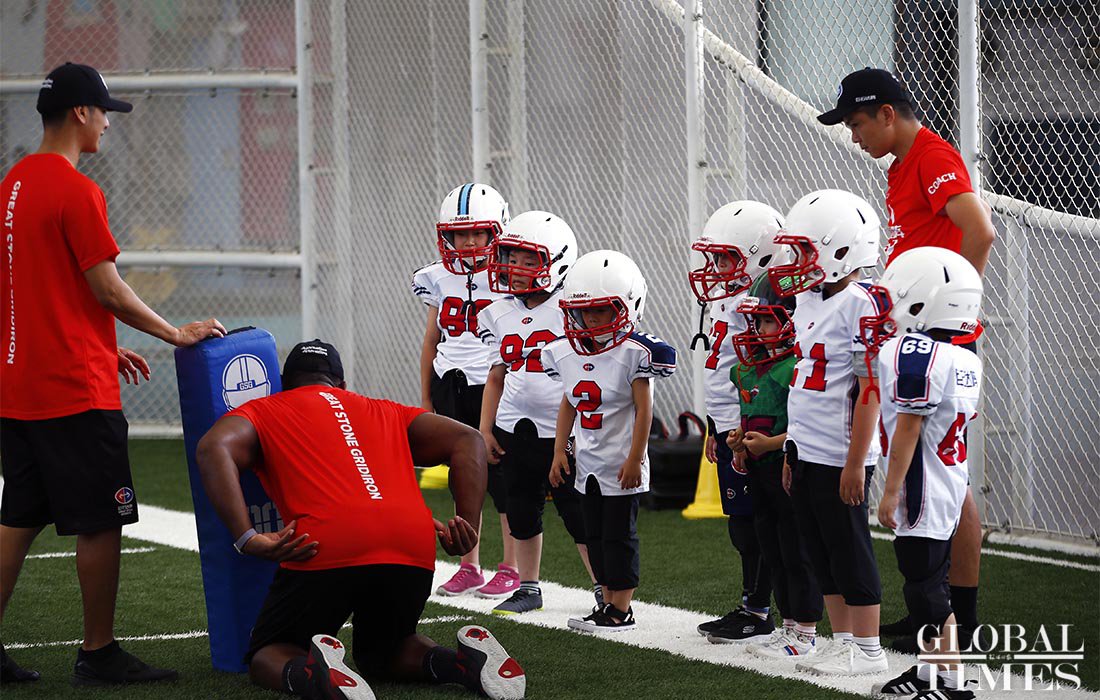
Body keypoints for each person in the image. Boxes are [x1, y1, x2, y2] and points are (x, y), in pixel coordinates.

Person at [0, 62, 225, 686]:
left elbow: (29, 291)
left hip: (19, 387)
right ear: (79, 113)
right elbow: (108, 289)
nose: (106, 124)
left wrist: (100, 349)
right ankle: (98, 652)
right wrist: (175, 332)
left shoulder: (10, 186)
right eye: (103, 112)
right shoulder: (78, 190)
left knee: (17, 518)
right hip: (73, 393)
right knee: (101, 519)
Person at [195, 340, 525, 700]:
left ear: (283, 382)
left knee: (268, 653)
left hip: (324, 543)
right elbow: (470, 439)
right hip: (410, 541)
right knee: (387, 651)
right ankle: (460, 664)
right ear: (342, 385)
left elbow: (213, 447)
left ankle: (314, 674)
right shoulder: (385, 409)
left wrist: (246, 537)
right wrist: (468, 525)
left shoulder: (264, 408)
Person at [819, 66, 996, 650]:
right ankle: (942, 612)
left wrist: (958, 307)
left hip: (939, 334)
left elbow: (980, 230)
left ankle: (958, 619)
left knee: (949, 478)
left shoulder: (930, 154)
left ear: (887, 113)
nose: (854, 135)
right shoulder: (902, 165)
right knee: (942, 475)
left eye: (858, 121)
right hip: (922, 330)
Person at [767, 189, 888, 675]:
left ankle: (869, 648)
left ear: (842, 250)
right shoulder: (810, 299)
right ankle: (843, 642)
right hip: (809, 445)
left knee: (848, 547)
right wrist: (792, 450)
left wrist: (856, 461)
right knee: (819, 548)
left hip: (843, 451)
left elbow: (869, 390)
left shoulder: (862, 303)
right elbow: (803, 384)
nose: (796, 262)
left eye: (805, 251)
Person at [861, 248, 984, 700]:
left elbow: (910, 425)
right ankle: (932, 672)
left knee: (925, 588)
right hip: (948, 482)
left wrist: (891, 492)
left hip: (924, 486)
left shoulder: (915, 352)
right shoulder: (963, 356)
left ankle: (949, 681)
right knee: (928, 582)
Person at [545, 250, 677, 632]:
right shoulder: (565, 351)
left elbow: (644, 410)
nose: (590, 319)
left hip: (620, 461)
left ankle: (622, 609)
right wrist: (558, 450)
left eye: (601, 311)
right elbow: (569, 402)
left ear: (628, 306)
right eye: (584, 311)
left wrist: (636, 458)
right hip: (587, 462)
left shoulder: (635, 353)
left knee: (619, 537)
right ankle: (605, 601)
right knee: (594, 535)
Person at [477, 211, 594, 616]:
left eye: (529, 260)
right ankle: (529, 586)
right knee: (522, 508)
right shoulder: (498, 311)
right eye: (511, 257)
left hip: (563, 430)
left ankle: (603, 588)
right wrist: (485, 429)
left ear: (558, 261)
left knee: (577, 512)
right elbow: (496, 375)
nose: (516, 268)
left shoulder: (573, 306)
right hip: (514, 426)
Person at [688, 201, 786, 643]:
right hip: (730, 428)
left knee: (756, 524)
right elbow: (723, 372)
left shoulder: (766, 308)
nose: (716, 267)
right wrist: (714, 427)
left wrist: (744, 434)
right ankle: (753, 605)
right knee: (741, 525)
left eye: (726, 258)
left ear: (761, 255)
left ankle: (761, 610)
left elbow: (762, 379)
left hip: (754, 431)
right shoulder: (728, 299)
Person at [413, 182, 517, 600]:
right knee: (465, 479)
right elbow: (430, 341)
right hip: (450, 383)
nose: (469, 241)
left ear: (498, 232)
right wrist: (425, 398)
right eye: (460, 233)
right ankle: (469, 565)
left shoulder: (510, 274)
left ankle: (511, 565)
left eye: (478, 232)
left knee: (504, 481)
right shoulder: (436, 278)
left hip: (493, 385)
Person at [721, 274, 825, 658]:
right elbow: (752, 416)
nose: (758, 329)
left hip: (787, 468)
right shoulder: (750, 368)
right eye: (758, 321)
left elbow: (801, 426)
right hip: (760, 473)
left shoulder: (796, 367)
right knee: (774, 550)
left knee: (796, 550)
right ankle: (789, 626)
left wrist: (770, 444)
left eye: (767, 320)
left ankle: (807, 631)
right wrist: (738, 441)